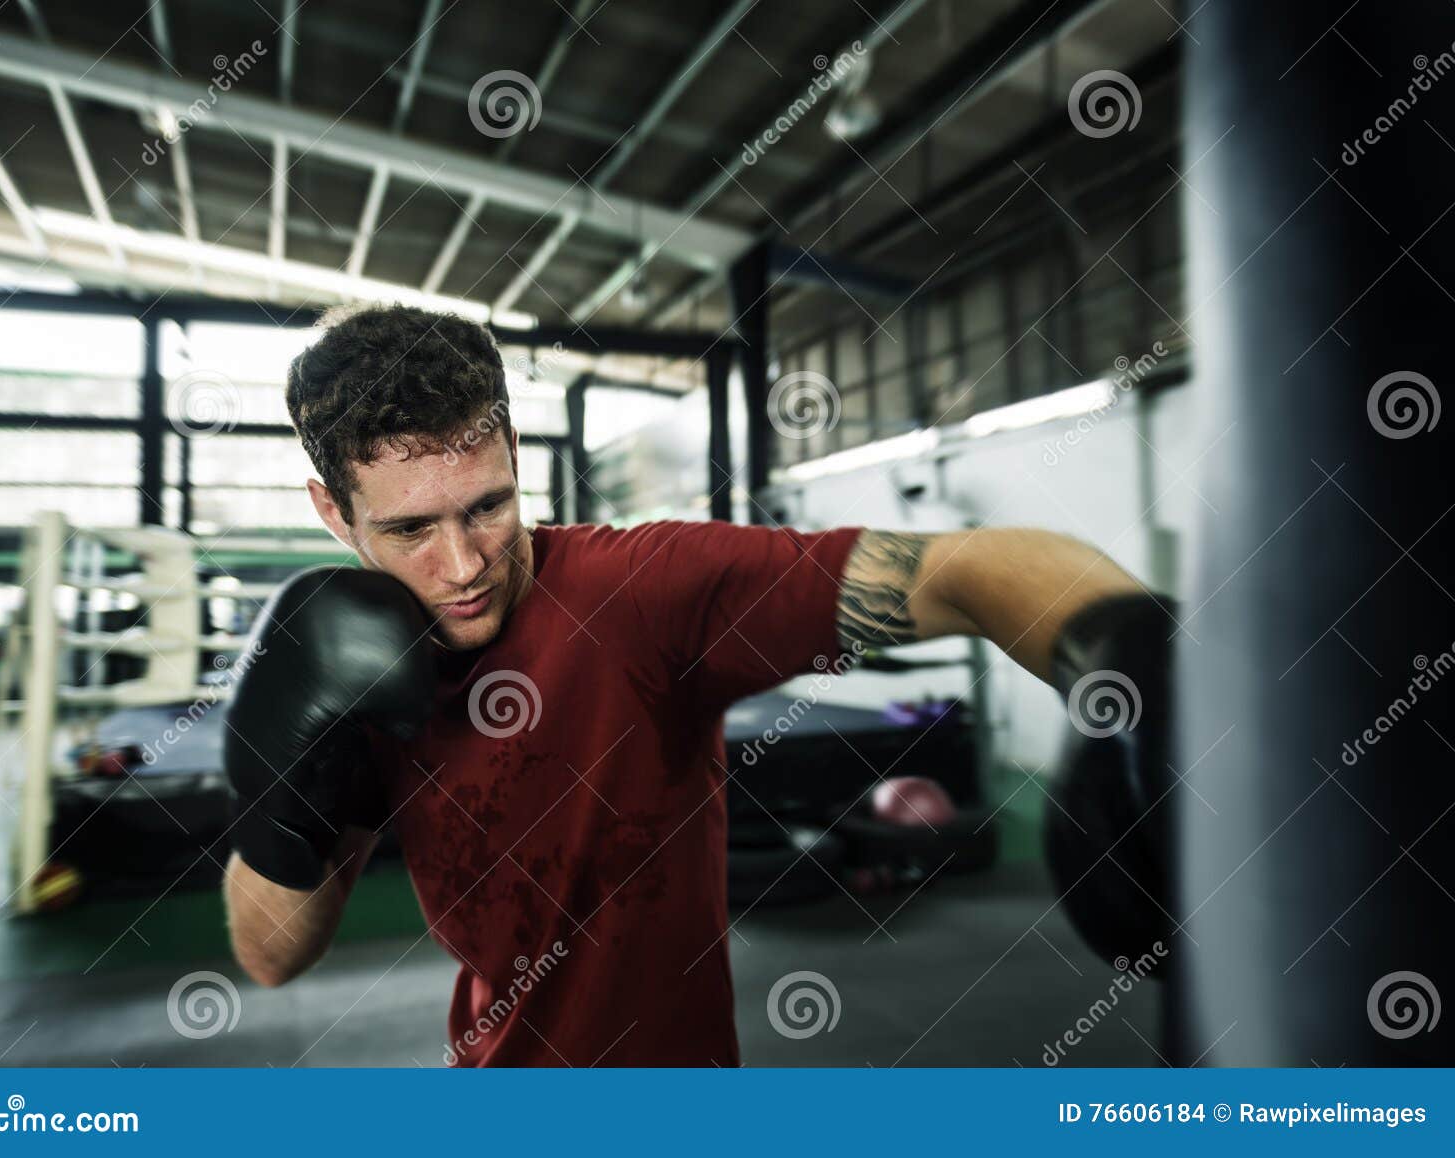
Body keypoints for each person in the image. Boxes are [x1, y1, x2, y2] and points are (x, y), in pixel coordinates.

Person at [221, 302, 1166, 1067]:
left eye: (489, 506)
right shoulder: (347, 664)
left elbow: (972, 570)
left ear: (512, 449)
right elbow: (271, 955)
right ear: (332, 511)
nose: (463, 564)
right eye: (411, 531)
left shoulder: (640, 593)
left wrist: (1130, 660)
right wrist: (287, 787)